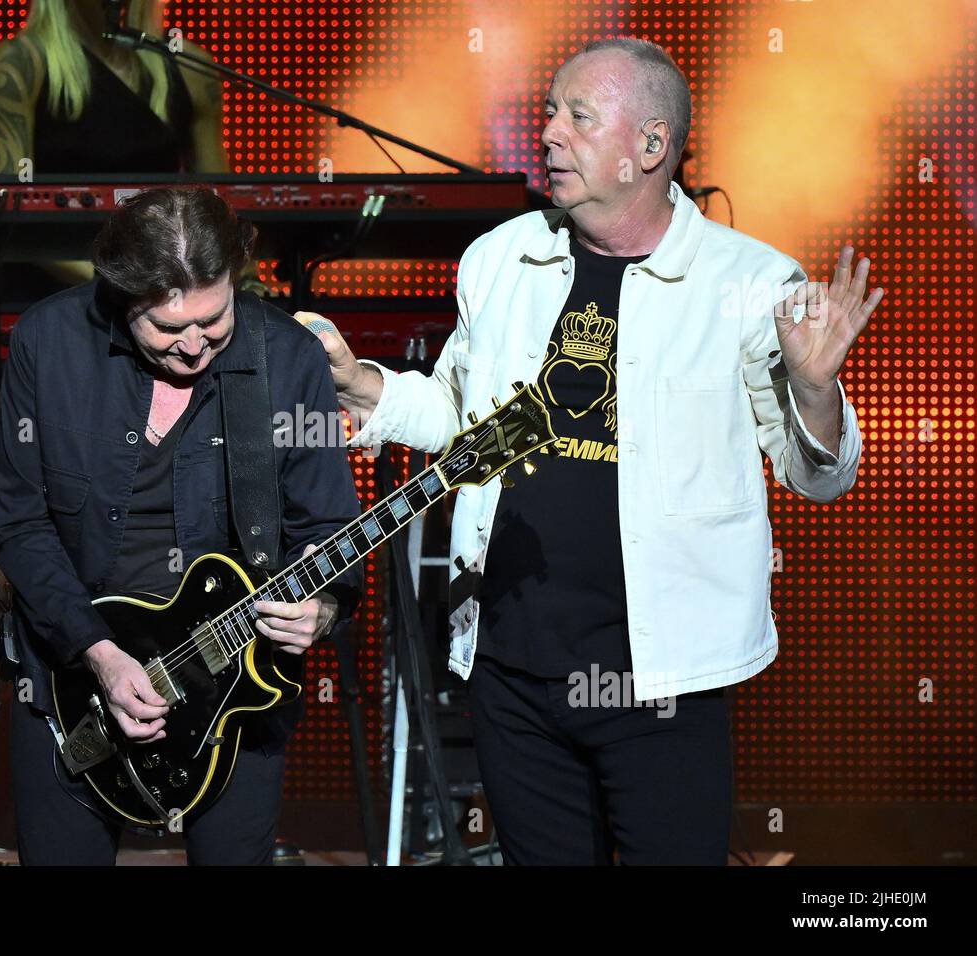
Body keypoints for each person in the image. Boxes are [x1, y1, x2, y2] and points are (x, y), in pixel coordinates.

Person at [302, 37, 884, 865]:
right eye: (549, 112)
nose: (548, 135)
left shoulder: (750, 283)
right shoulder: (502, 261)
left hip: (665, 679)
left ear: (649, 146)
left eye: (577, 116)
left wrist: (816, 388)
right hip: (510, 662)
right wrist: (366, 385)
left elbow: (817, 475)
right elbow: (466, 423)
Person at [0, 0, 234, 860]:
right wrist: (131, 287)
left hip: (155, 317)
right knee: (2, 553)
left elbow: (216, 214)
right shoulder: (24, 65)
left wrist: (167, 296)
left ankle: (180, 761)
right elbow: (9, 205)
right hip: (53, 326)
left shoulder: (188, 67)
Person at [0, 186, 362, 865]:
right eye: (168, 327)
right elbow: (19, 524)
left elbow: (330, 527)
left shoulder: (288, 358)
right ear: (121, 298)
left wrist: (325, 608)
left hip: (235, 688)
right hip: (70, 677)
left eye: (213, 321)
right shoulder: (47, 343)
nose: (194, 346)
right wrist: (98, 653)